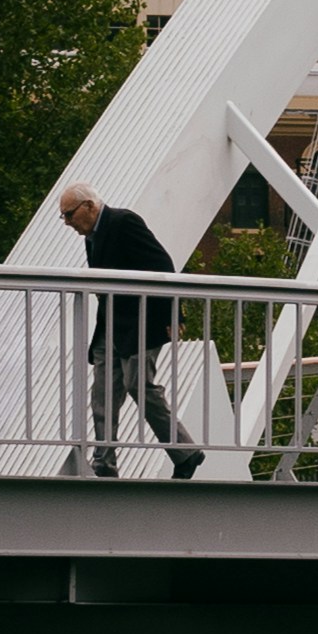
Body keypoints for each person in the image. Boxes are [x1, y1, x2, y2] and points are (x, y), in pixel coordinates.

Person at [57, 182, 200, 481]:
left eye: (69, 215)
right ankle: (103, 464)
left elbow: (162, 266)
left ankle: (185, 451)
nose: (68, 223)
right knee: (103, 394)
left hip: (140, 323)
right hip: (110, 326)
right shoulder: (91, 237)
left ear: (89, 206)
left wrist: (173, 314)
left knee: (139, 386)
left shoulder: (124, 222)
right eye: (64, 217)